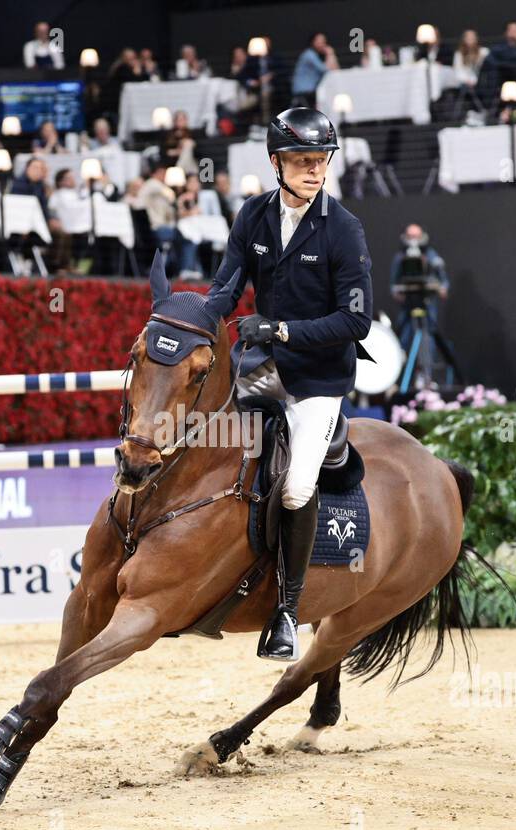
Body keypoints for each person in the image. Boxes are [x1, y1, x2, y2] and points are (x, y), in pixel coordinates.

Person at [206, 107, 372, 661]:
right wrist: (193, 318)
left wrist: (279, 327)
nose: (313, 169)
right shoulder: (252, 216)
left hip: (320, 378)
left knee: (297, 487)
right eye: (301, 160)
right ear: (277, 163)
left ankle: (286, 612)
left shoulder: (344, 229)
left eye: (320, 160)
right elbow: (225, 290)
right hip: (263, 368)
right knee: (217, 451)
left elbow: (356, 321)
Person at [389, 223, 450, 386]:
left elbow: (443, 281)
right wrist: (399, 292)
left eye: (416, 236)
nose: (413, 241)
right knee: (405, 342)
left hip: (426, 307)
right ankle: (402, 380)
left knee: (427, 340)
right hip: (408, 309)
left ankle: (426, 377)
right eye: (410, 236)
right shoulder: (400, 258)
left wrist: (439, 287)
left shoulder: (431, 256)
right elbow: (394, 284)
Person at [291, 32, 337, 107]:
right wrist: (330, 54)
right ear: (313, 42)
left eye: (324, 41)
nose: (322, 44)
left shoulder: (315, 55)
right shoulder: (309, 54)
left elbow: (334, 70)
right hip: (304, 91)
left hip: (312, 91)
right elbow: (325, 70)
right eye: (319, 41)